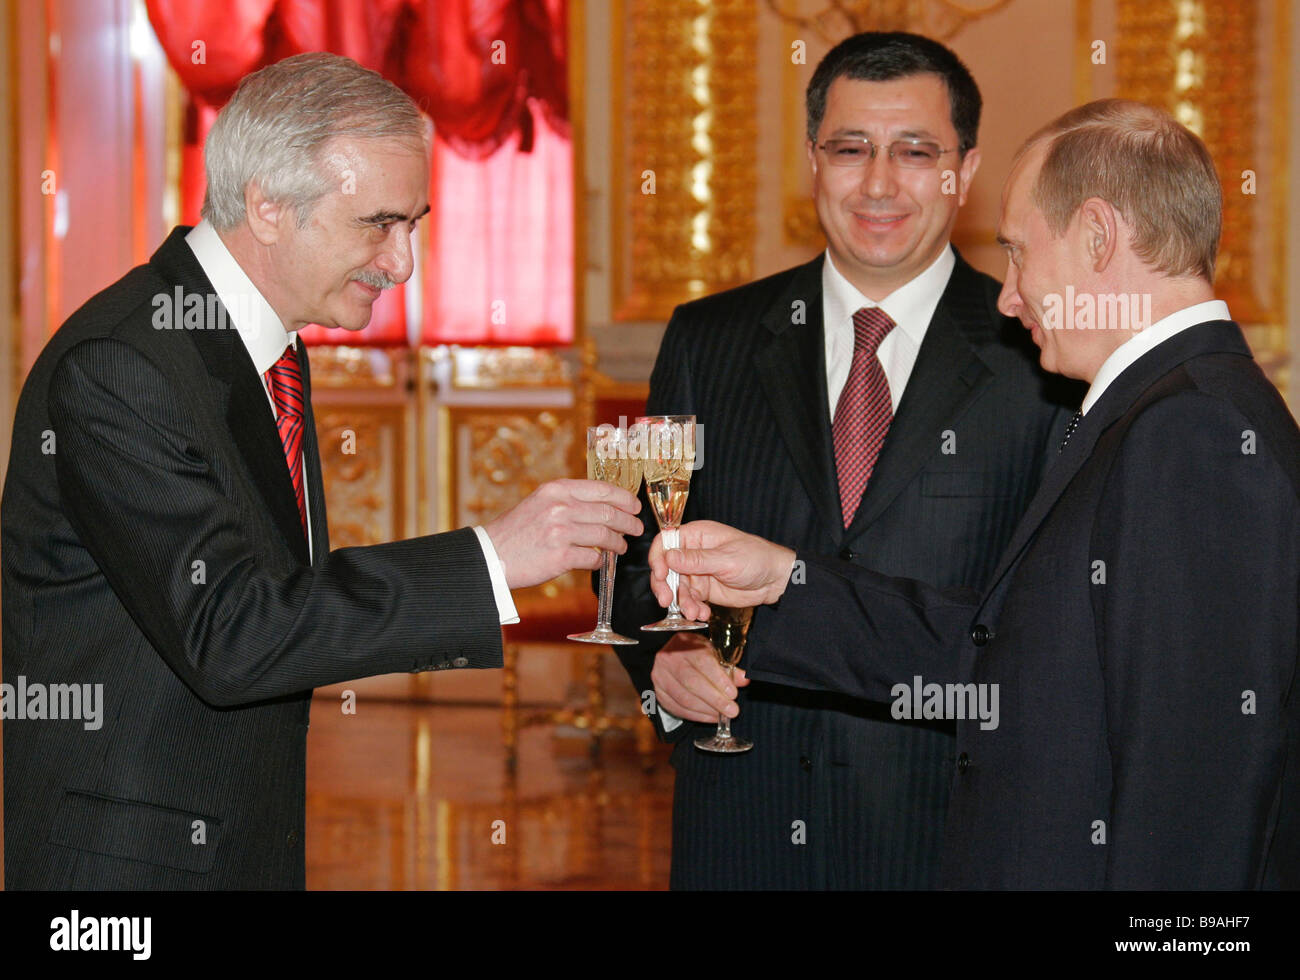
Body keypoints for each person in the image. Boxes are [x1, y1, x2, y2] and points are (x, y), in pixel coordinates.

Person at [1, 53, 641, 890]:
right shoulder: (124, 366)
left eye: (414, 224)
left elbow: (278, 612)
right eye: (378, 224)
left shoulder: (265, 348)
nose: (403, 263)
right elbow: (231, 632)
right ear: (266, 206)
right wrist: (489, 560)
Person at [653, 99, 1300, 889]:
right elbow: (999, 657)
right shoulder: (1161, 413)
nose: (1007, 295)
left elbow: (1196, 797)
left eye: (1020, 254)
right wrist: (782, 582)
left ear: (1098, 238)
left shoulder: (1192, 433)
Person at [610, 32, 1078, 889]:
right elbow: (640, 550)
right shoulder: (705, 339)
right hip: (740, 820)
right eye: (850, 149)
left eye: (915, 152)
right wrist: (668, 661)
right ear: (813, 161)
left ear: (964, 173)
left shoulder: (1042, 359)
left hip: (951, 829)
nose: (878, 184)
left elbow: (1052, 621)